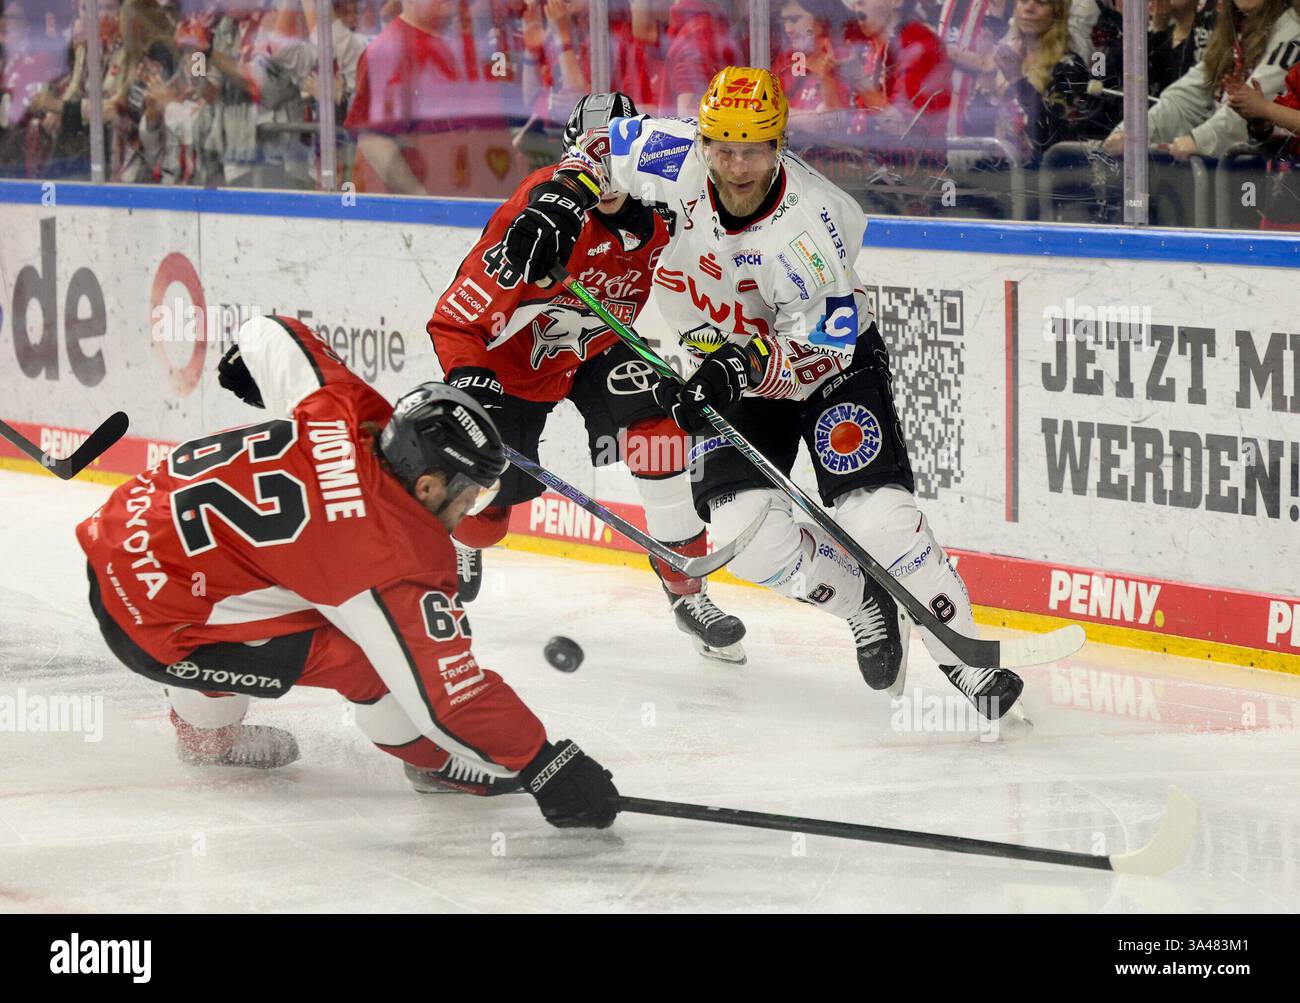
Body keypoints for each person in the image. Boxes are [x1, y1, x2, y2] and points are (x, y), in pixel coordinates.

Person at [498, 67, 1026, 719]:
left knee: (876, 518)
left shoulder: (809, 226)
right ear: (704, 141)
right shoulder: (676, 155)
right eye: (723, 147)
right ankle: (863, 601)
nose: (737, 166)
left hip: (827, 368)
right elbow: (601, 145)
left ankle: (968, 660)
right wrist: (558, 201)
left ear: (779, 145)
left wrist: (738, 367)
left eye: (753, 150)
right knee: (749, 537)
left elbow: (822, 347)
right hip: (732, 369)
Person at [76, 314, 619, 828]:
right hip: (148, 623)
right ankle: (421, 764)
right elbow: (448, 696)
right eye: (468, 494)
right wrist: (544, 763)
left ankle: (203, 711)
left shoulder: (349, 408)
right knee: (369, 660)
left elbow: (274, 332)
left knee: (281, 583)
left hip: (125, 525)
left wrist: (247, 358)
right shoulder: (391, 557)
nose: (468, 508)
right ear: (427, 485)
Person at [430, 92, 748, 662]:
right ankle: (461, 534)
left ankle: (686, 591)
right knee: (485, 515)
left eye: (621, 156)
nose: (606, 172)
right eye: (591, 156)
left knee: (660, 435)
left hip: (597, 350)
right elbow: (454, 320)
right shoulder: (541, 216)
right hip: (513, 365)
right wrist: (470, 379)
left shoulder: (665, 212)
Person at [1103, 0, 1300, 161]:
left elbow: (1248, 106)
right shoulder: (1232, 32)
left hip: (1264, 181)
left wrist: (1198, 142)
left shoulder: (1293, 30)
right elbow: (1184, 100)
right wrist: (1133, 132)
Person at [1228, 61, 1300, 228]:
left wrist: (1264, 108)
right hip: (1285, 202)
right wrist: (1259, 120)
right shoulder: (1297, 74)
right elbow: (1283, 125)